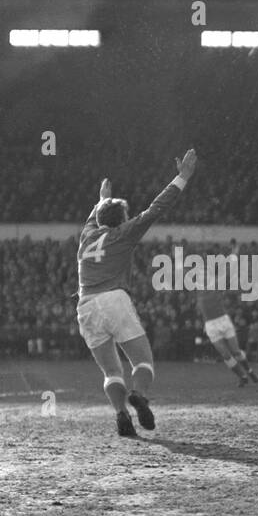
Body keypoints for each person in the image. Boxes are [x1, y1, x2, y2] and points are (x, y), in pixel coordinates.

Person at [76, 149, 198, 437]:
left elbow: (95, 216)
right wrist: (182, 177)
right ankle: (140, 395)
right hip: (113, 299)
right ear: (122, 219)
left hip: (85, 305)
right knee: (142, 362)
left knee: (110, 373)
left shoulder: (86, 235)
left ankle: (121, 415)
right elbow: (157, 208)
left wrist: (102, 198)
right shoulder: (124, 233)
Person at [196, 284, 258, 386]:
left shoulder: (216, 285)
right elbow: (204, 309)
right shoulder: (199, 292)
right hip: (210, 325)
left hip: (223, 321)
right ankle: (242, 376)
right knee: (225, 355)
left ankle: (249, 371)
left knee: (236, 351)